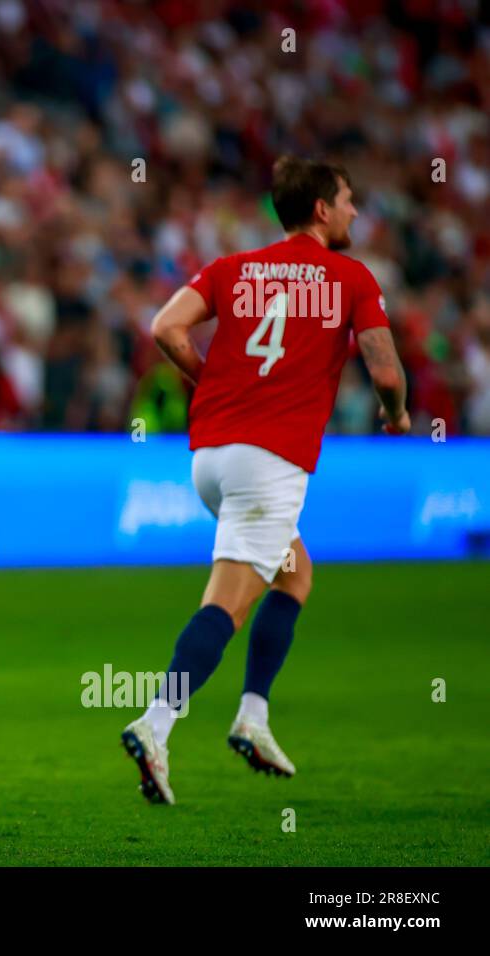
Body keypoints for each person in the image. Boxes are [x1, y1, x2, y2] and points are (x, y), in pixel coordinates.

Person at [122, 156, 410, 804]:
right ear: (321, 210)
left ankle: (253, 716)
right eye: (348, 200)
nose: (355, 212)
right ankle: (156, 723)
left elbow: (165, 327)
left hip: (211, 460)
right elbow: (386, 373)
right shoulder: (351, 278)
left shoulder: (232, 268)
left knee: (294, 573)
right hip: (268, 464)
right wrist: (396, 415)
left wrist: (212, 381)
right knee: (225, 604)